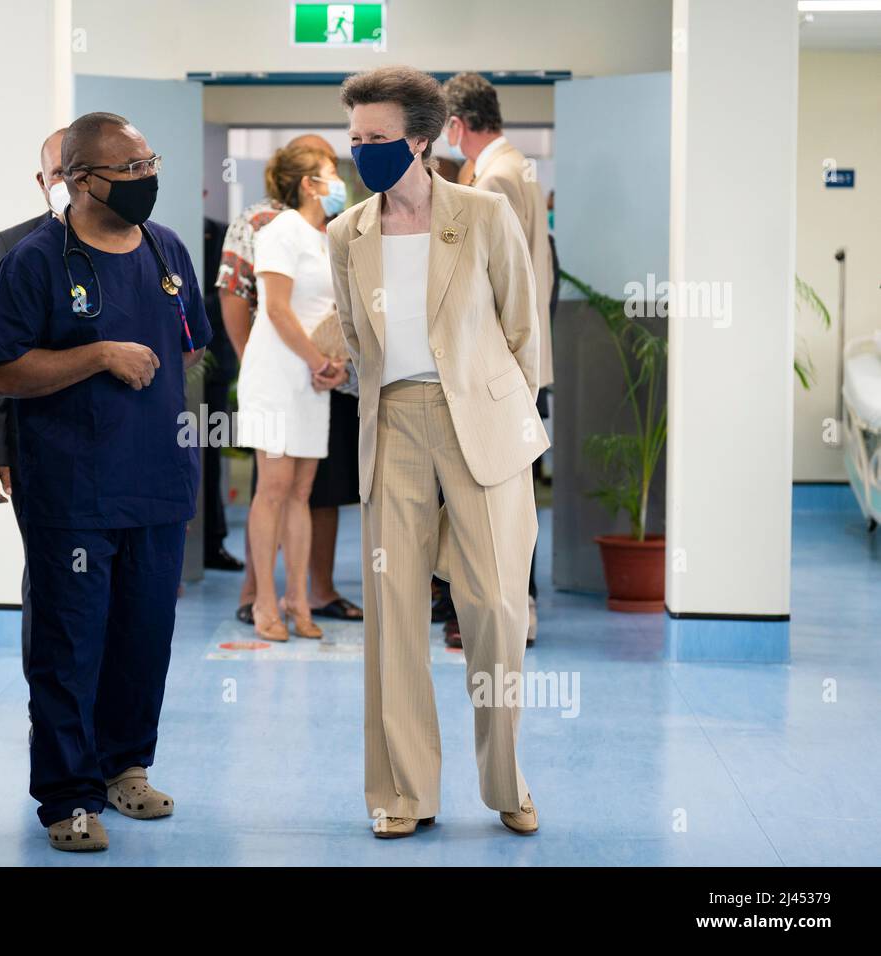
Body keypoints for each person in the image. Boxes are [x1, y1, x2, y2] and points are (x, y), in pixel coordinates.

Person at [328, 66, 548, 839]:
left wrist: (512, 422)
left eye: (378, 139)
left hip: (483, 423)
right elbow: (358, 341)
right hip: (395, 424)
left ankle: (506, 782)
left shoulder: (484, 214)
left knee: (493, 607)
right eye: (355, 139)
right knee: (392, 614)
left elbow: (524, 330)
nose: (363, 152)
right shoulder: (345, 233)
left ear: (421, 140)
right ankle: (402, 793)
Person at [0, 111, 211, 852]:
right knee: (69, 645)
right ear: (80, 181)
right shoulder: (36, 259)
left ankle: (126, 768)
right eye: (131, 170)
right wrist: (97, 356)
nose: (148, 179)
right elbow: (3, 369)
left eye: (151, 164)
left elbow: (191, 349)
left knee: (144, 640)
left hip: (156, 485)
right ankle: (68, 796)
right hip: (72, 492)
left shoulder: (168, 250)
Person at [215, 133, 362, 626]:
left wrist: (333, 365)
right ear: (308, 183)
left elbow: (330, 313)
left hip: (313, 378)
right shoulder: (279, 230)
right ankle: (261, 602)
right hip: (278, 374)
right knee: (274, 488)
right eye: (330, 171)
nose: (339, 180)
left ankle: (299, 600)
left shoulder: (327, 238)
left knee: (302, 492)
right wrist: (319, 361)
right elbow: (275, 310)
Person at [445, 72, 554, 647]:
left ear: (458, 125)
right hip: (512, 363)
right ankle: (509, 607)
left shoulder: (496, 179)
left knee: (503, 496)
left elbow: (494, 282)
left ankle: (514, 611)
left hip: (501, 369)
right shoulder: (516, 167)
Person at [0, 127, 67, 688]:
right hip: (38, 448)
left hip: (120, 449)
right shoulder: (14, 246)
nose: (68, 184)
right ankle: (50, 709)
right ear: (42, 181)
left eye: (78, 171)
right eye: (57, 173)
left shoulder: (145, 243)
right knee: (52, 582)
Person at [201, 213, 242, 573]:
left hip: (211, 369)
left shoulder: (218, 233)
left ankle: (212, 542)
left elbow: (224, 297)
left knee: (209, 455)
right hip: (168, 369)